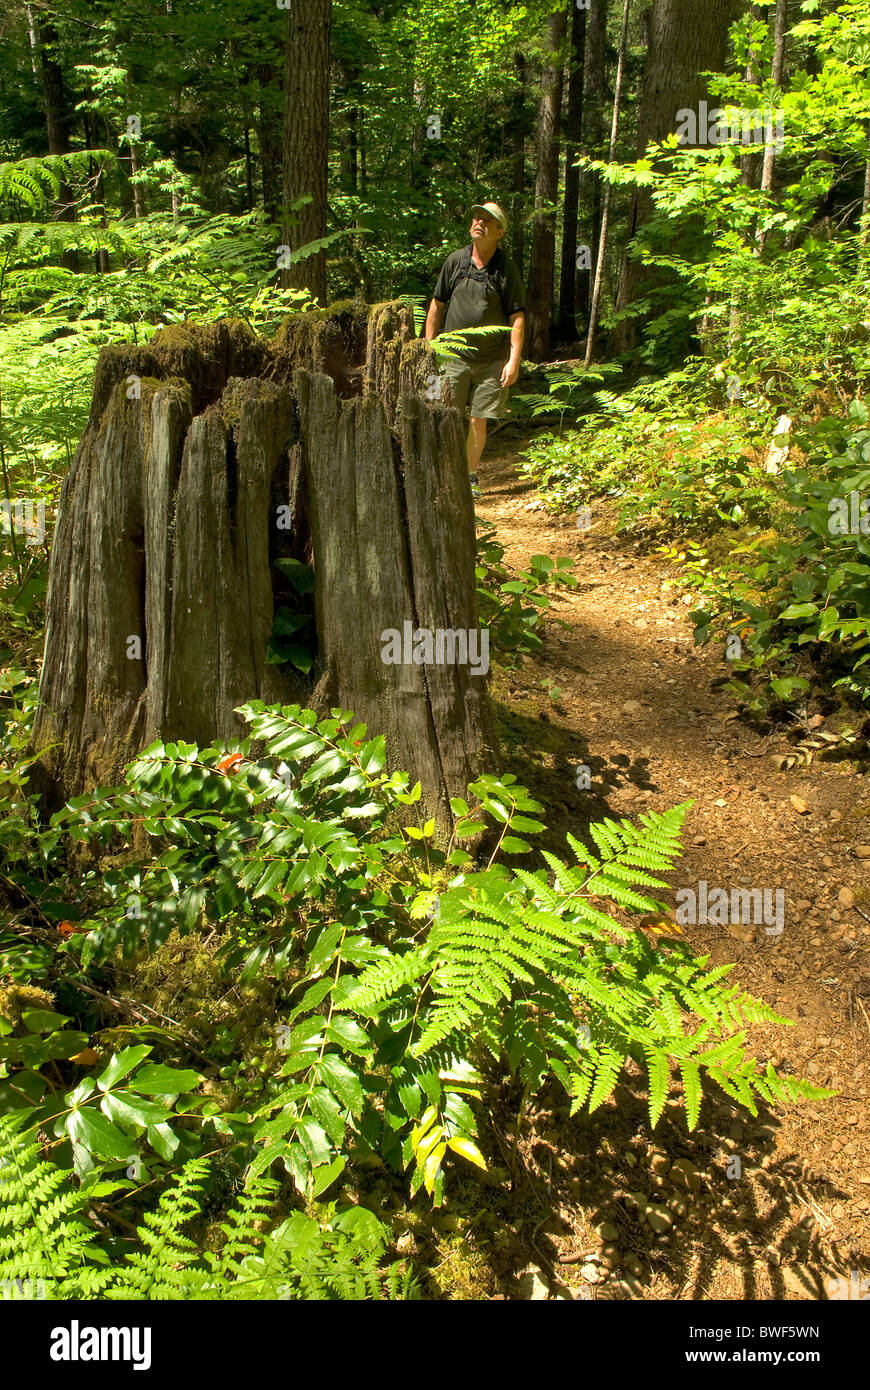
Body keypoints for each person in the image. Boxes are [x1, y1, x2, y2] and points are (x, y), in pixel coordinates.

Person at [424, 202, 525, 479]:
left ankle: (467, 478)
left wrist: (513, 361)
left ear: (499, 232)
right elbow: (437, 305)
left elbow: (517, 317)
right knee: (446, 414)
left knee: (478, 419)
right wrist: (428, 348)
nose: (479, 223)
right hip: (453, 357)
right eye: (476, 218)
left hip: (492, 360)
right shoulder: (455, 261)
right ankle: (441, 473)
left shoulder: (507, 269)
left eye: (487, 221)